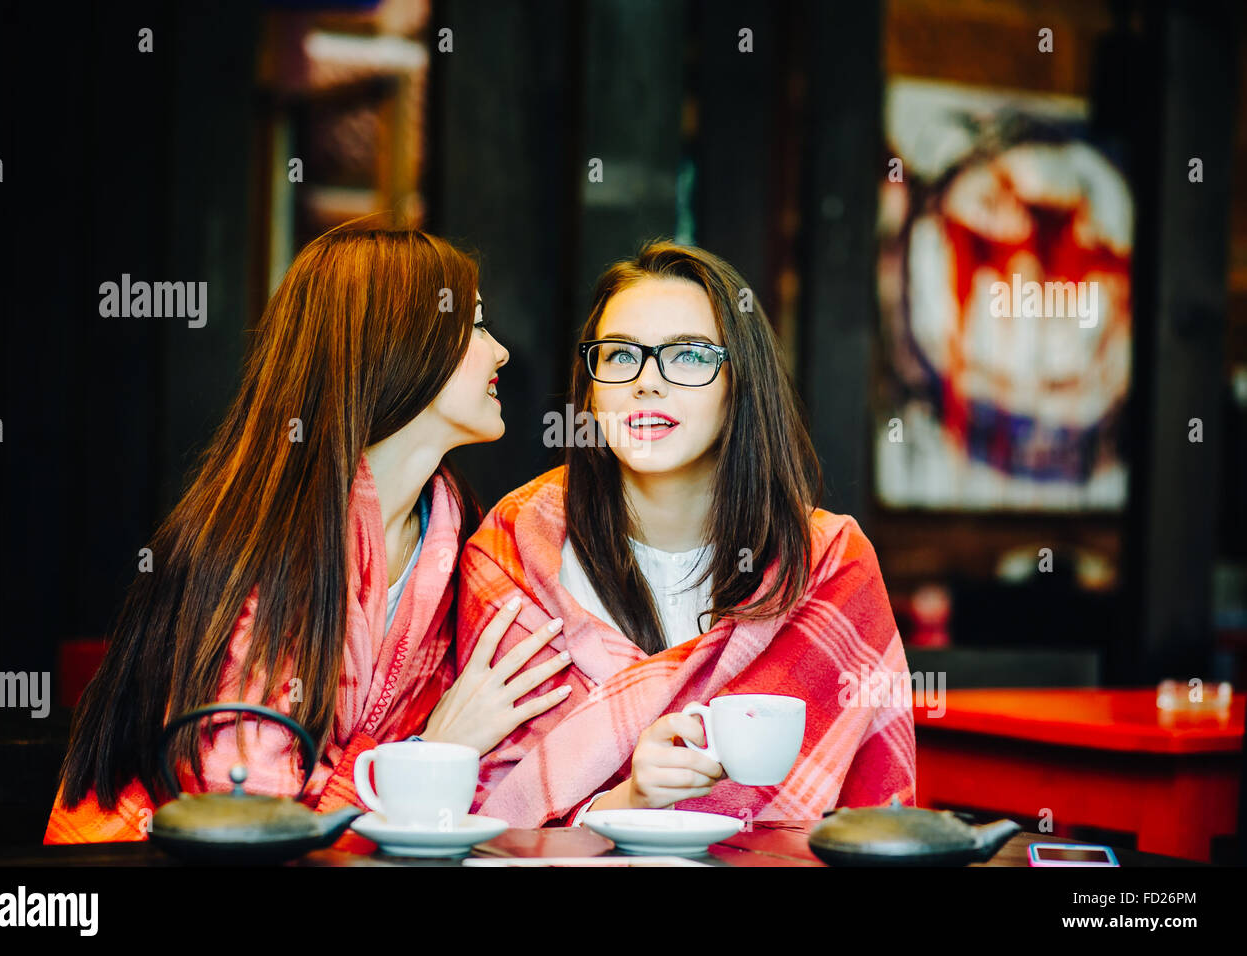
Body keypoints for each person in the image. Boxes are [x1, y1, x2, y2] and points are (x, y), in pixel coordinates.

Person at [45, 217, 572, 843]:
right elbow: (251, 821)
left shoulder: (461, 538)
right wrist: (433, 752)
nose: (501, 351)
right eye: (476, 323)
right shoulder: (264, 554)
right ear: (400, 344)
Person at [456, 241, 916, 827]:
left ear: (740, 382)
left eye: (690, 356)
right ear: (591, 389)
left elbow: (882, 821)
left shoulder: (827, 564)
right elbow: (471, 810)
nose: (647, 382)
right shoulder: (513, 553)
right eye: (620, 356)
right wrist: (624, 804)